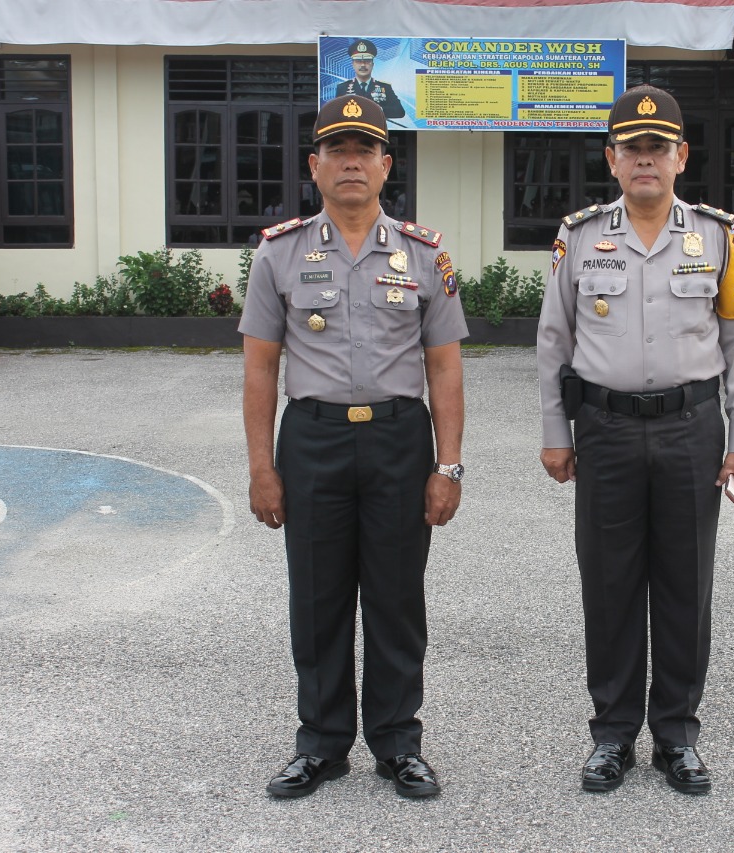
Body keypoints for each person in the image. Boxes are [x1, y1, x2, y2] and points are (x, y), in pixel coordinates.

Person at [536, 85, 734, 796]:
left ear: (681, 157)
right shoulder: (578, 238)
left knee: (684, 586)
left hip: (692, 430)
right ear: (611, 158)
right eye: (631, 148)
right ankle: (611, 736)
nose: (645, 160)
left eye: (657, 147)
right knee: (608, 585)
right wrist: (555, 430)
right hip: (602, 429)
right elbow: (554, 342)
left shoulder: (718, 239)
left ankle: (676, 735)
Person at [241, 95, 467, 801]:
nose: (350, 162)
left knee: (397, 599)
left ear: (385, 165)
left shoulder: (425, 253)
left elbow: (445, 367)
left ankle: (398, 742)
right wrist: (261, 467)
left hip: (401, 438)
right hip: (312, 439)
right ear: (314, 166)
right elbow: (259, 369)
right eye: (336, 150)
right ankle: (321, 744)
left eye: (364, 150)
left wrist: (447, 464)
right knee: (318, 597)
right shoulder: (279, 252)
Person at [335, 39, 407, 120]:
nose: (363, 65)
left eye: (367, 60)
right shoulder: (342, 87)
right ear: (353, 64)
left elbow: (400, 112)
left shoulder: (385, 87)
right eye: (358, 61)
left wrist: (377, 110)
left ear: (372, 64)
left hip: (377, 130)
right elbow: (337, 113)